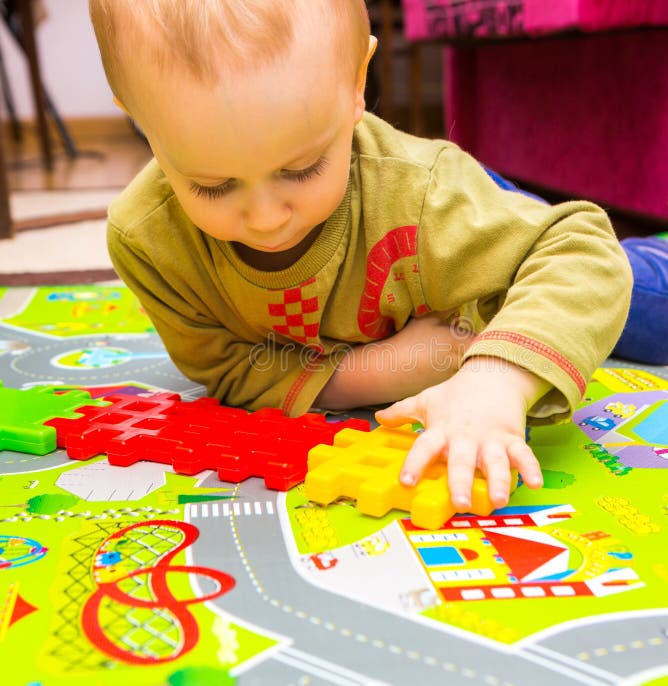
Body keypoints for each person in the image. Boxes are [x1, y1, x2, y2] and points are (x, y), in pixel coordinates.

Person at [88, 0, 633, 512]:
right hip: (430, 259)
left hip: (453, 226)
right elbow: (229, 368)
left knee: (659, 318)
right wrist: (393, 369)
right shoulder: (146, 241)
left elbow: (580, 248)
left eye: (300, 169)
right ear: (141, 122)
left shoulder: (423, 194)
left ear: (357, 83)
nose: (267, 217)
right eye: (212, 185)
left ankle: (658, 253)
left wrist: (496, 378)